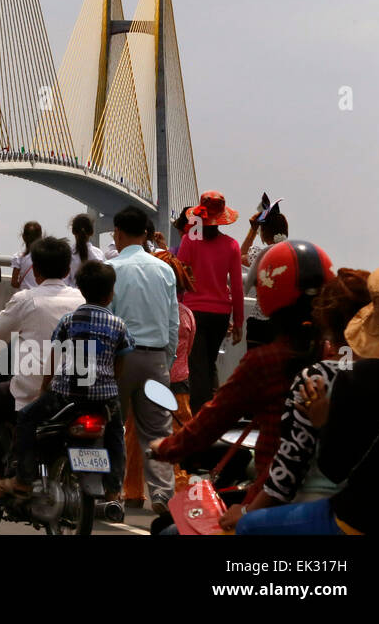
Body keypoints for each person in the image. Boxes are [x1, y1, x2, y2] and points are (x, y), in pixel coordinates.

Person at [151, 240, 335, 530]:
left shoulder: (265, 361)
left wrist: (168, 447)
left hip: (273, 500)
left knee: (171, 530)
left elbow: (214, 419)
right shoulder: (336, 359)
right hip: (331, 503)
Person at [235, 269, 370, 528]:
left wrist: (245, 514)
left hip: (316, 506)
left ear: (327, 321)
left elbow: (289, 468)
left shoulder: (316, 379)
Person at [0, 261, 133, 497]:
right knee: (115, 435)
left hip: (66, 395)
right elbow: (119, 365)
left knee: (28, 418)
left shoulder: (69, 321)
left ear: (81, 290)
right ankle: (114, 489)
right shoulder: (118, 325)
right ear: (111, 293)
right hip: (104, 399)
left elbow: (54, 358)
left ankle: (24, 480)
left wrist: (44, 387)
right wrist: (108, 385)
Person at [0, 237, 83, 499]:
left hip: (34, 390)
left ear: (35, 271)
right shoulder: (82, 300)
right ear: (67, 271)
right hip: (78, 390)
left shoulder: (26, 299)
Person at [104, 206, 178, 513]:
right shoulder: (165, 270)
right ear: (147, 233)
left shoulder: (113, 269)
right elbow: (173, 322)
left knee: (111, 426)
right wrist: (167, 360)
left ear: (118, 233)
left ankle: (110, 492)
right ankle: (162, 494)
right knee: (158, 430)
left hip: (121, 358)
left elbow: (108, 318)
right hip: (156, 357)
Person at [177, 190, 244, 407]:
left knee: (198, 368)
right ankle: (210, 410)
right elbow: (237, 287)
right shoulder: (232, 245)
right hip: (221, 315)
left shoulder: (189, 241)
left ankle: (199, 417)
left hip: (194, 312)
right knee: (209, 364)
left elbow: (179, 277)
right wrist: (240, 323)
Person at [240, 200, 289, 349]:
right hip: (284, 322)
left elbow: (241, 255)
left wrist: (252, 230)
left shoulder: (259, 254)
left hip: (260, 321)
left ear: (264, 231)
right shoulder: (293, 254)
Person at [68, 213, 106, 282]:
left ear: (73, 231)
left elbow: (65, 281)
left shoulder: (67, 254)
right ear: (92, 232)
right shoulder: (99, 254)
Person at [9, 221, 43, 290]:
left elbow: (14, 283)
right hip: (40, 296)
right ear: (40, 237)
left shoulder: (19, 257)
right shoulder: (46, 256)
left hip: (24, 296)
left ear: (23, 237)